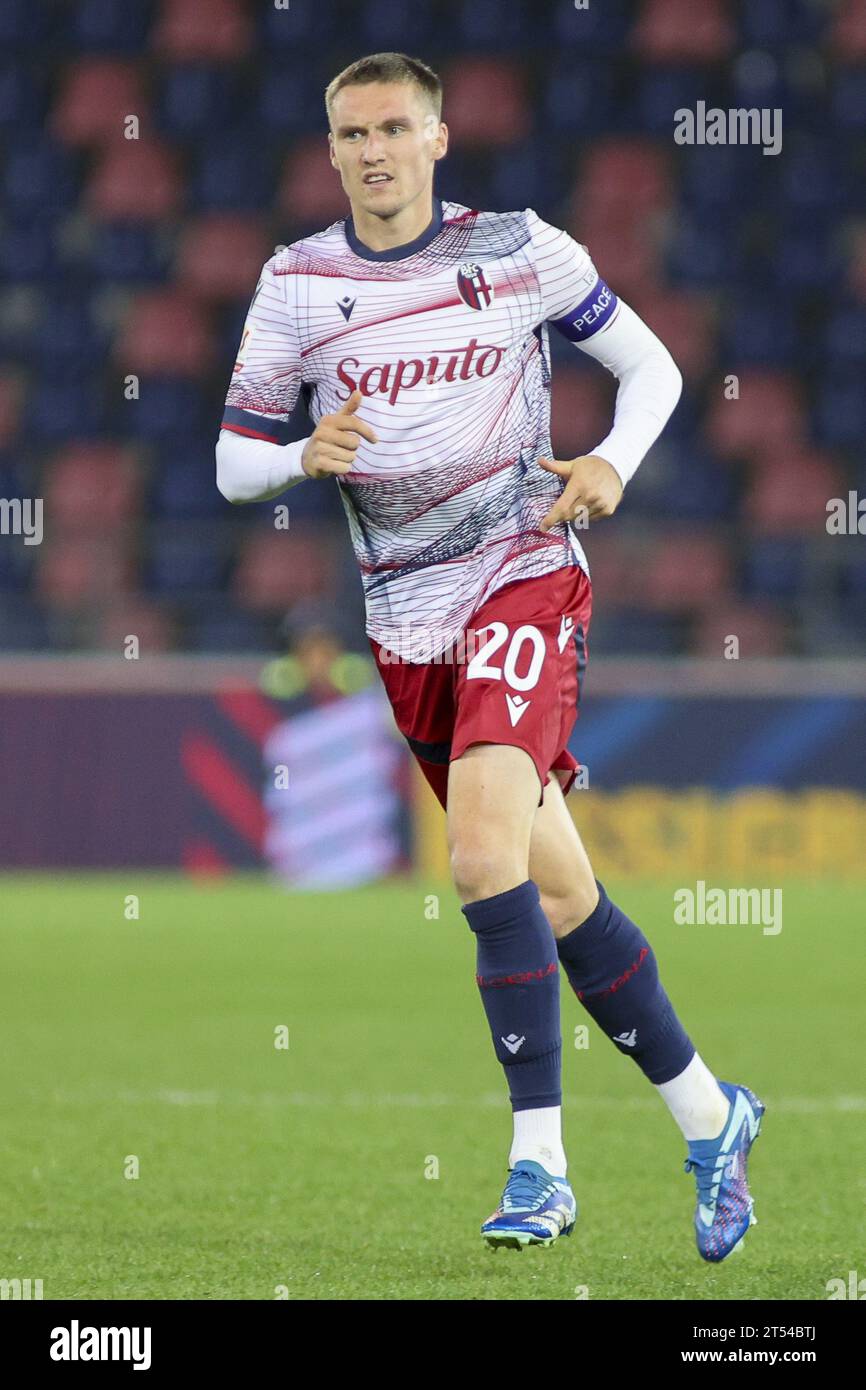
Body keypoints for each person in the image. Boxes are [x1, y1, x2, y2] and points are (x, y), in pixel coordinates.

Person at [216, 51, 764, 1261]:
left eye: (393, 128)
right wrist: (302, 455)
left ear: (437, 137)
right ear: (331, 147)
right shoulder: (298, 284)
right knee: (559, 896)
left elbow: (651, 366)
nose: (372, 151)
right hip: (403, 620)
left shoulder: (514, 248)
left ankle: (538, 1167)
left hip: (522, 571)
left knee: (474, 858)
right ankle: (713, 1116)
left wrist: (610, 463)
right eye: (350, 132)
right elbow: (229, 461)